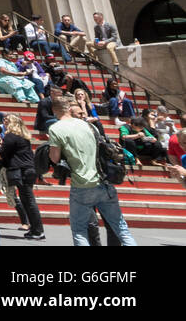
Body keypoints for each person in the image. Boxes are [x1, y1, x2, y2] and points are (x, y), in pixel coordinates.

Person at [48, 93, 137, 246]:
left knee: (79, 229)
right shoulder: (87, 124)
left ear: (54, 111)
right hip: (104, 180)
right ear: (69, 108)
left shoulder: (56, 128)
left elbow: (54, 158)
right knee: (121, 227)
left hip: (82, 183)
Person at [0, 113, 44, 239]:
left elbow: (4, 153)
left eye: (7, 121)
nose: (4, 123)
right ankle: (34, 229)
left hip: (22, 171)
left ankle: (38, 230)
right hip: (29, 170)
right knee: (27, 200)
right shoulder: (22, 137)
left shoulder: (11, 136)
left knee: (29, 201)